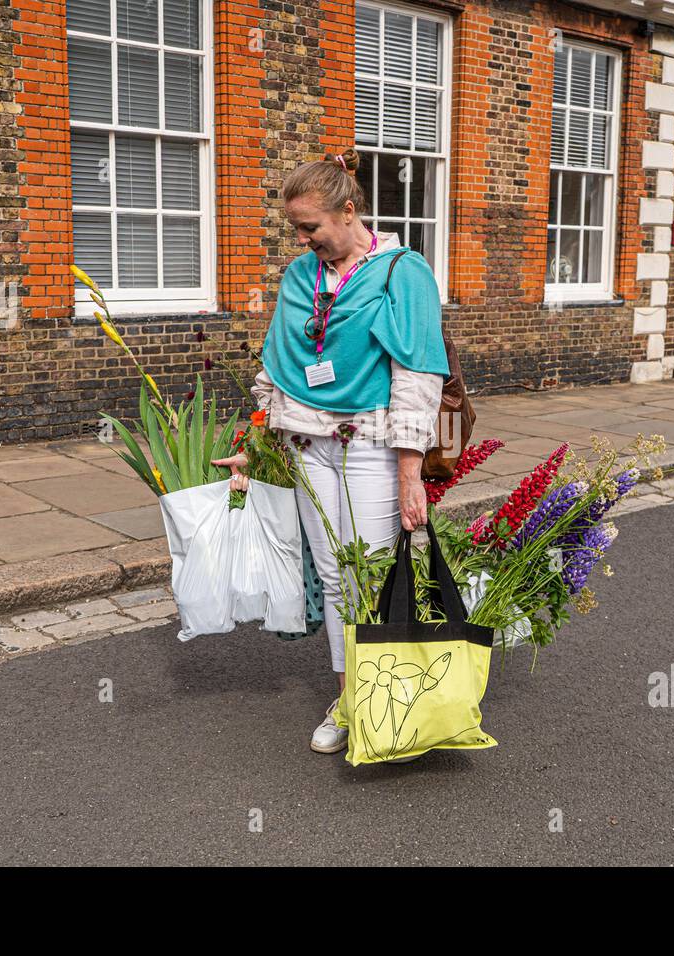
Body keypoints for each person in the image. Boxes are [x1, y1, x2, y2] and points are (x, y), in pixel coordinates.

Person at [211, 148, 450, 754]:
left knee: (372, 575)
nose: (303, 238)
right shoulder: (300, 276)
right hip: (306, 445)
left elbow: (416, 375)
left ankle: (389, 702)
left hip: (370, 446)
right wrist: (255, 448)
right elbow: (277, 370)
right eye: (296, 228)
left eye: (310, 226)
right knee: (334, 578)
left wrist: (409, 474)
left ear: (349, 211)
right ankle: (350, 701)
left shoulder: (402, 272)